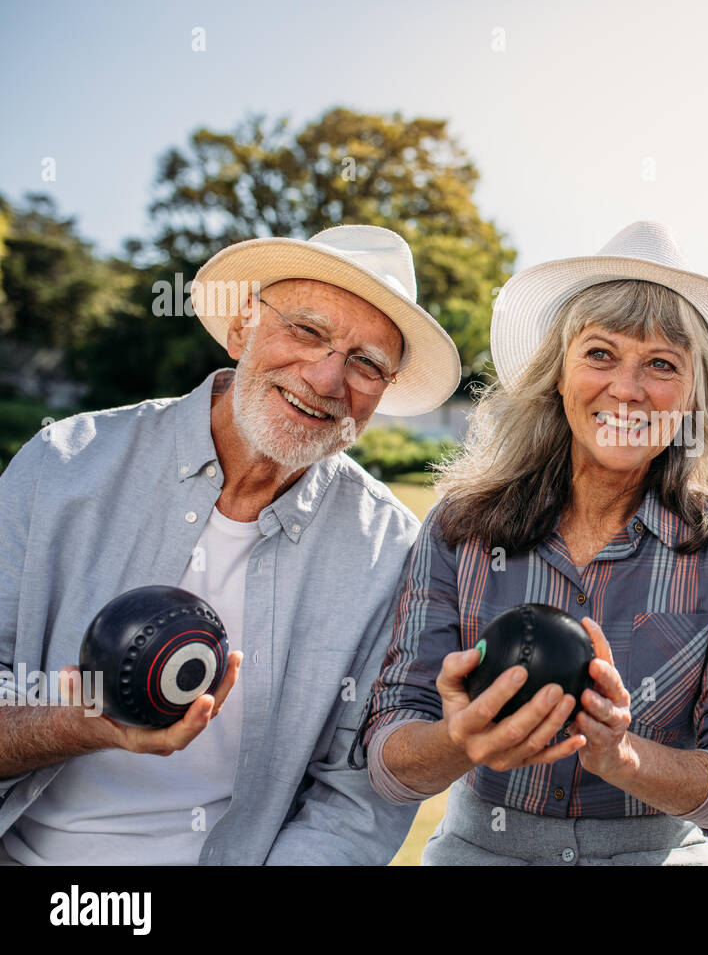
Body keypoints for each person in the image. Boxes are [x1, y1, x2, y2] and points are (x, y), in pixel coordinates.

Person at [0, 225, 462, 864]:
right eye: (306, 331)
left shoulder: (391, 552)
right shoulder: (63, 465)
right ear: (244, 327)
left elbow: (354, 800)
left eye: (367, 363)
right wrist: (72, 723)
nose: (327, 379)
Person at [357, 221, 708, 865]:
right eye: (600, 354)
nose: (627, 388)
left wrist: (624, 755)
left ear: (692, 395)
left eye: (661, 364)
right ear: (558, 373)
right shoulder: (460, 527)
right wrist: (457, 739)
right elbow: (389, 763)